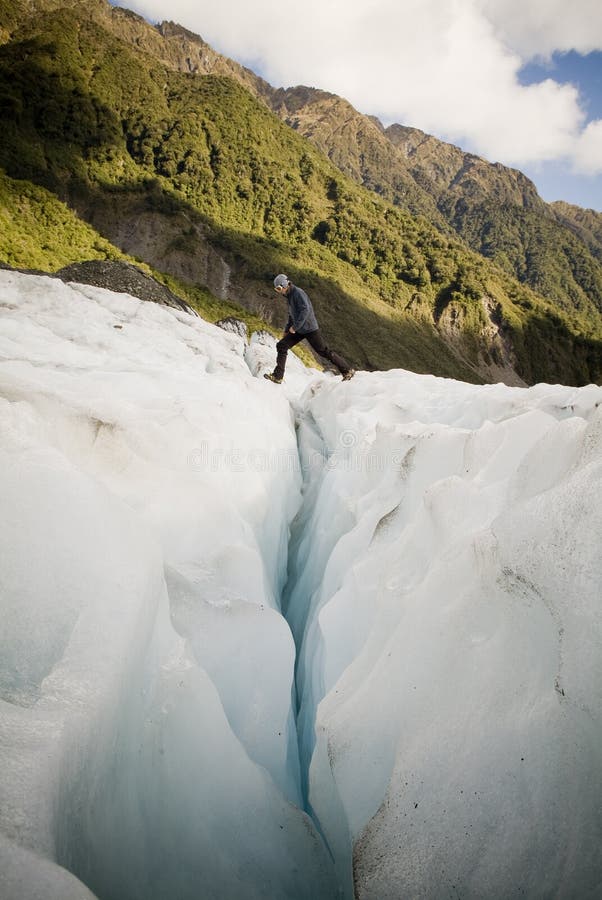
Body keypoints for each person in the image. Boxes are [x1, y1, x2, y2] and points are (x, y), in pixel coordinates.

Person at [264, 274, 355, 384]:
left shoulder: (298, 293)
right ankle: (278, 377)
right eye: (276, 289)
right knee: (282, 345)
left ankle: (347, 370)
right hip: (299, 329)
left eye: (279, 288)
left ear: (285, 285)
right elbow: (291, 315)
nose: (278, 291)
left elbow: (305, 310)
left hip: (309, 329)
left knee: (323, 351)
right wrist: (287, 330)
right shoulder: (289, 296)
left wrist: (295, 327)